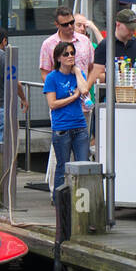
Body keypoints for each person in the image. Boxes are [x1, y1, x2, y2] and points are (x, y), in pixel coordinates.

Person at [43, 40, 96, 196]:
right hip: (62, 128)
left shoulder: (78, 74)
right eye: (66, 54)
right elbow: (52, 104)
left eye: (72, 53)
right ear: (58, 58)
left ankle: (83, 198)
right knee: (62, 166)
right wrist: (73, 98)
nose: (70, 56)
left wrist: (78, 71)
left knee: (83, 164)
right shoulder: (52, 78)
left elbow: (85, 90)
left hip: (79, 126)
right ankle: (59, 199)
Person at [87, 8, 136, 97]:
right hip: (110, 97)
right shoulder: (106, 45)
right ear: (118, 24)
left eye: (134, 28)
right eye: (129, 28)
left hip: (133, 95)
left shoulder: (135, 43)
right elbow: (96, 74)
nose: (132, 31)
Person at [40, 6, 94, 82]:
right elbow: (45, 73)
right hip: (60, 92)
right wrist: (55, 90)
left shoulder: (85, 40)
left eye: (72, 22)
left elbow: (92, 68)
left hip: (83, 91)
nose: (70, 26)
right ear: (57, 25)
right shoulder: (48, 44)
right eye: (65, 24)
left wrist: (86, 87)